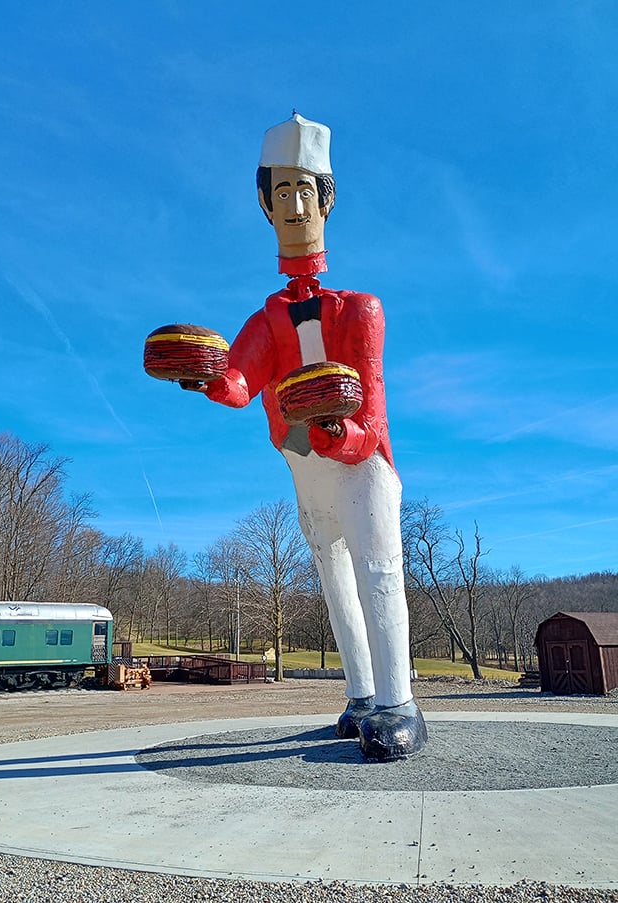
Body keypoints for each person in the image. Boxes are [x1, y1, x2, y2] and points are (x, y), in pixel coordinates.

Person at [190, 113, 426, 759]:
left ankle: (399, 703)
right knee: (333, 579)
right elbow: (241, 379)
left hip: (360, 464)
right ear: (265, 205)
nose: (295, 205)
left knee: (379, 573)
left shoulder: (361, 310)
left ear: (327, 198)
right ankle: (360, 695)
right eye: (282, 192)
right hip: (304, 473)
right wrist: (208, 374)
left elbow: (372, 420)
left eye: (306, 189)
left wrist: (337, 433)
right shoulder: (266, 318)